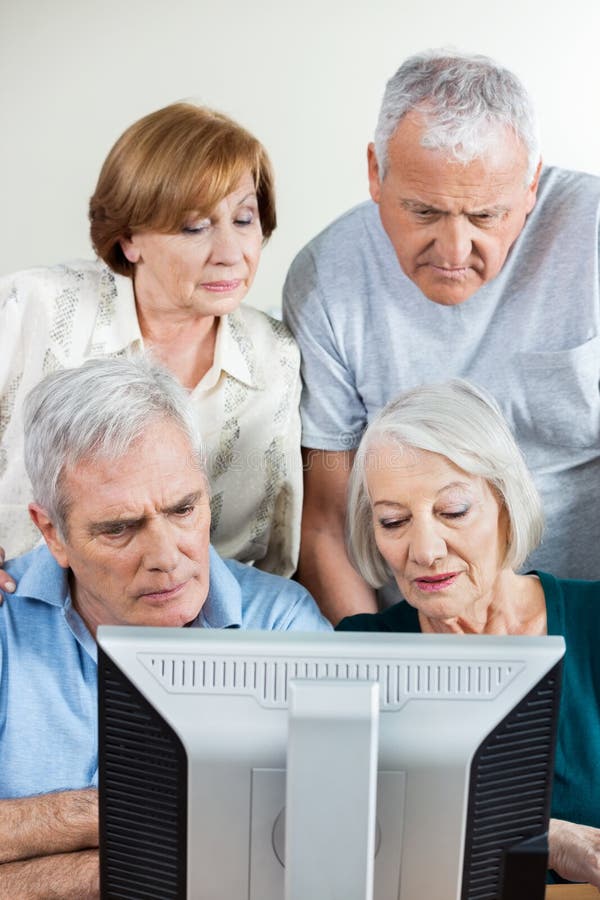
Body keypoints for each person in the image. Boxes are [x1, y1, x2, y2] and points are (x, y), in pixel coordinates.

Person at [282, 48, 600, 623]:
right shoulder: (326, 279)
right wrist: (371, 658)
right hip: (415, 631)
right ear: (375, 172)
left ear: (531, 182)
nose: (454, 252)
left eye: (485, 216)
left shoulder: (592, 235)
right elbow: (327, 522)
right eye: (424, 212)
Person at [0, 356, 329, 897]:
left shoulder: (283, 625)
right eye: (119, 529)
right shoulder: (5, 622)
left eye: (183, 509)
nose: (166, 557)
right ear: (52, 533)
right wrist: (128, 837)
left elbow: (321, 852)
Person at [0, 101, 301, 601]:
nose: (232, 253)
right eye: (195, 227)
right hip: (20, 613)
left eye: (244, 219)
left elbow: (274, 557)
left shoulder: (276, 354)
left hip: (194, 625)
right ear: (129, 240)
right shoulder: (33, 305)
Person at [336, 379, 600, 888]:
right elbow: (346, 832)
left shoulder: (594, 622)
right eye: (393, 521)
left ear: (505, 501)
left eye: (453, 511)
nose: (425, 550)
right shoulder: (360, 652)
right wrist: (543, 837)